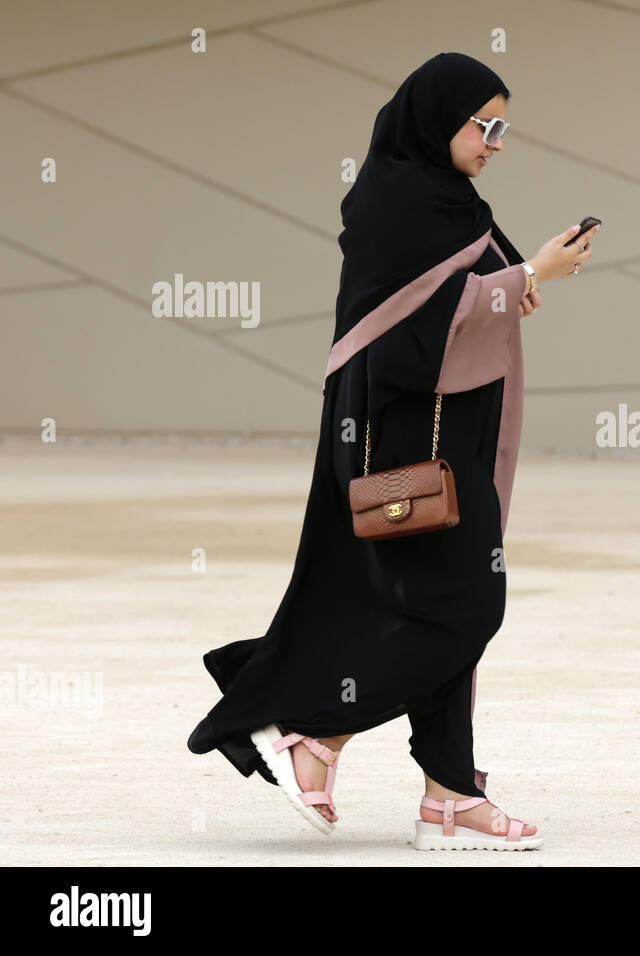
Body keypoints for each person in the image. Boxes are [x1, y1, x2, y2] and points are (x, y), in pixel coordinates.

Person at [186, 51, 597, 850]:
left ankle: (450, 795)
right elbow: (407, 340)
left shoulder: (452, 203)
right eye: (486, 124)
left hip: (450, 431)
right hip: (405, 435)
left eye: (503, 126)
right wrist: (523, 279)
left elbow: (475, 298)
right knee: (469, 607)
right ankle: (315, 727)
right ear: (437, 118)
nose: (497, 141)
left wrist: (527, 280)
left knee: (442, 604)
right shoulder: (396, 203)